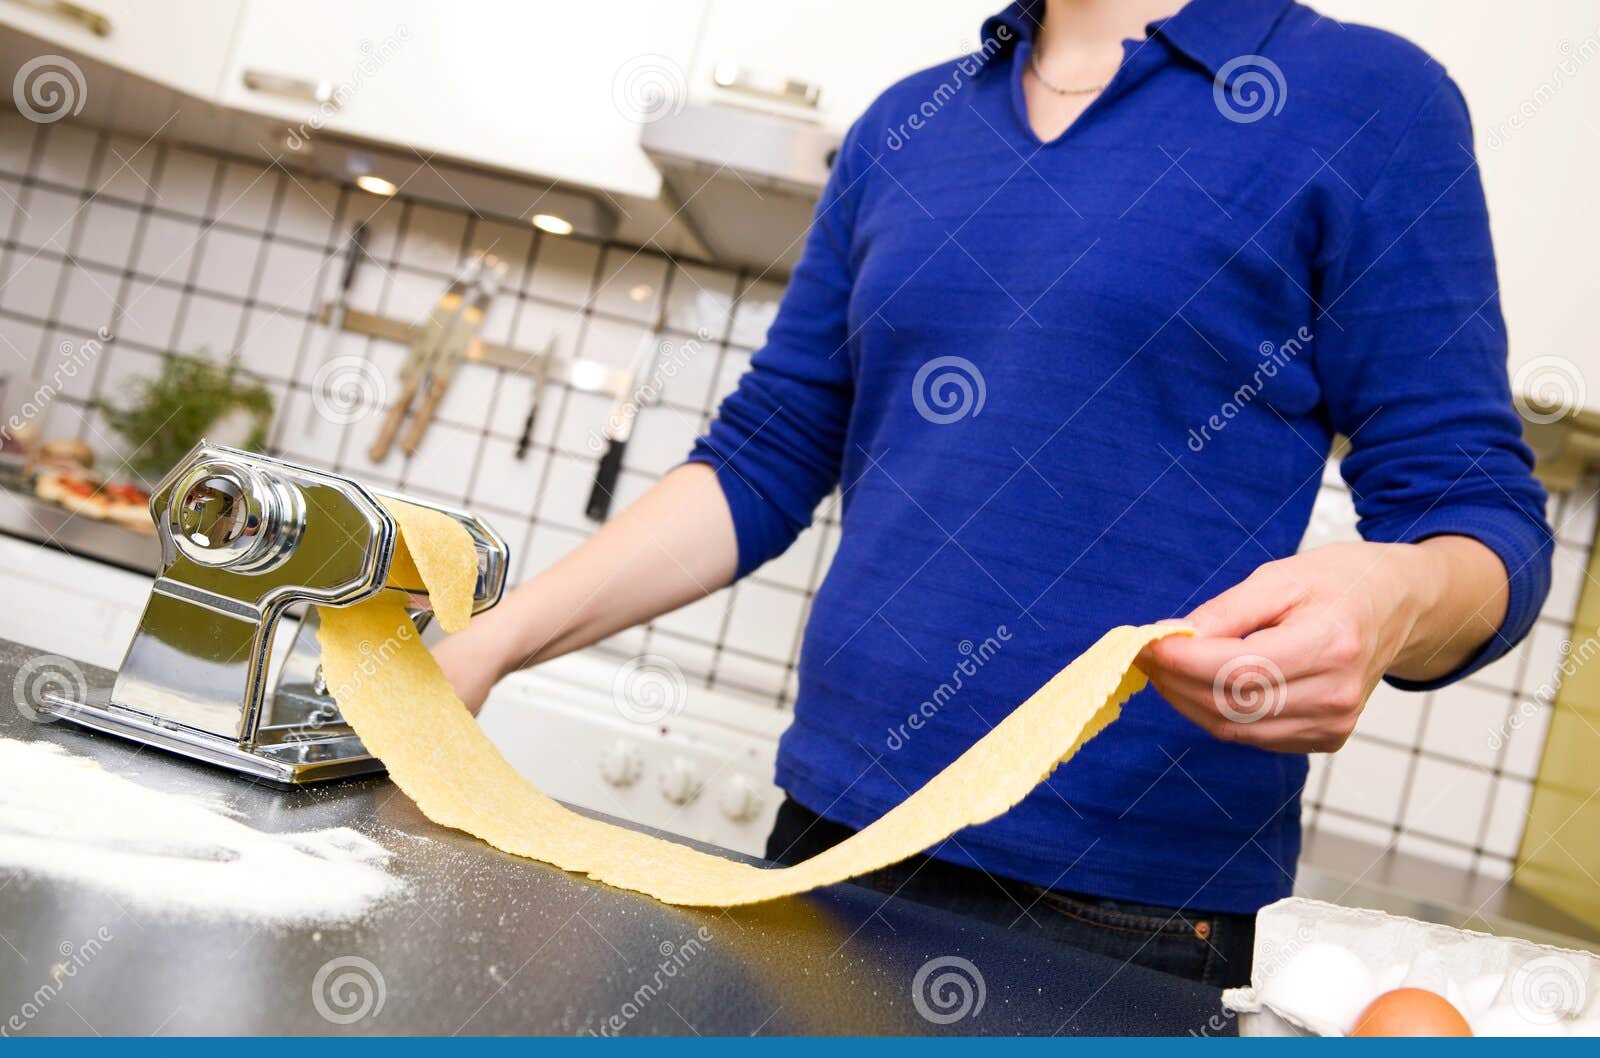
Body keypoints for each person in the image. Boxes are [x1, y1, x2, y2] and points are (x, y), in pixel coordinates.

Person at [436, 0, 1551, 988]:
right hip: (824, 845)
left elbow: (1475, 508)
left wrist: (1388, 595)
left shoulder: (1367, 99)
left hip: (1127, 919)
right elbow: (765, 454)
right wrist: (490, 642)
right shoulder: (903, 126)